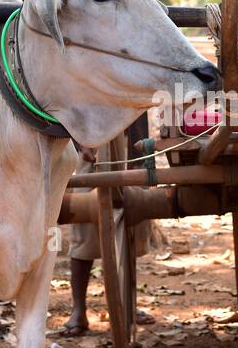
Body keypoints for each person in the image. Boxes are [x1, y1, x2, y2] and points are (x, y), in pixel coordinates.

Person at [61, 112, 163, 335]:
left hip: (132, 140)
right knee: (84, 231)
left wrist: (144, 152)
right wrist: (80, 141)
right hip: (91, 138)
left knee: (131, 223)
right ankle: (79, 309)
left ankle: (129, 304)